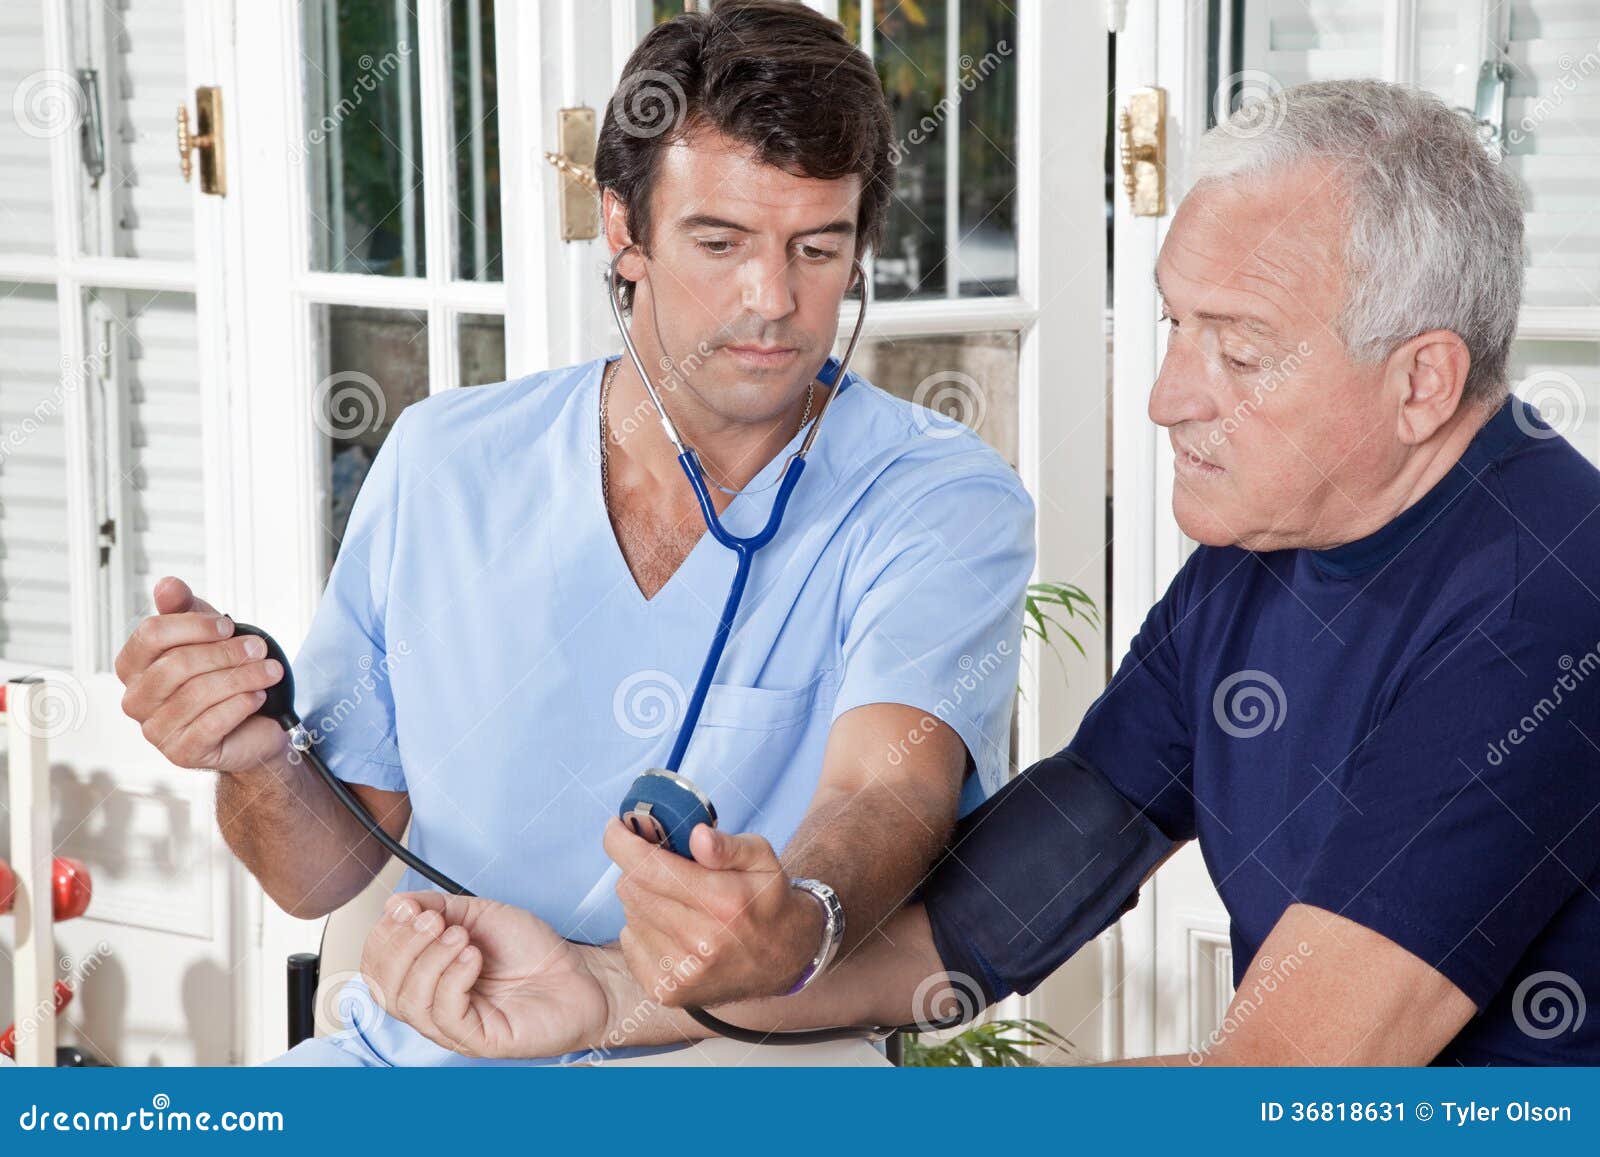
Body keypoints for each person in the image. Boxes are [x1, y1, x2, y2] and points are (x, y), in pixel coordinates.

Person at [359, 79, 1600, 1066]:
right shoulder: (1263, 552)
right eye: (1174, 328)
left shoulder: (1545, 603)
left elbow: (1286, 1083)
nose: (1168, 398)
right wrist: (601, 994)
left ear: (1423, 381)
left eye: (1239, 351)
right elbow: (974, 927)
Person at [112, 0, 1033, 1066]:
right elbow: (317, 873)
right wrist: (253, 754)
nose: (772, 299)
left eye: (817, 248)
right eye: (719, 240)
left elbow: (888, 791)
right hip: (418, 1061)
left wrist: (801, 910)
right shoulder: (443, 463)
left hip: (745, 1069)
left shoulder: (934, 497)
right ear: (622, 229)